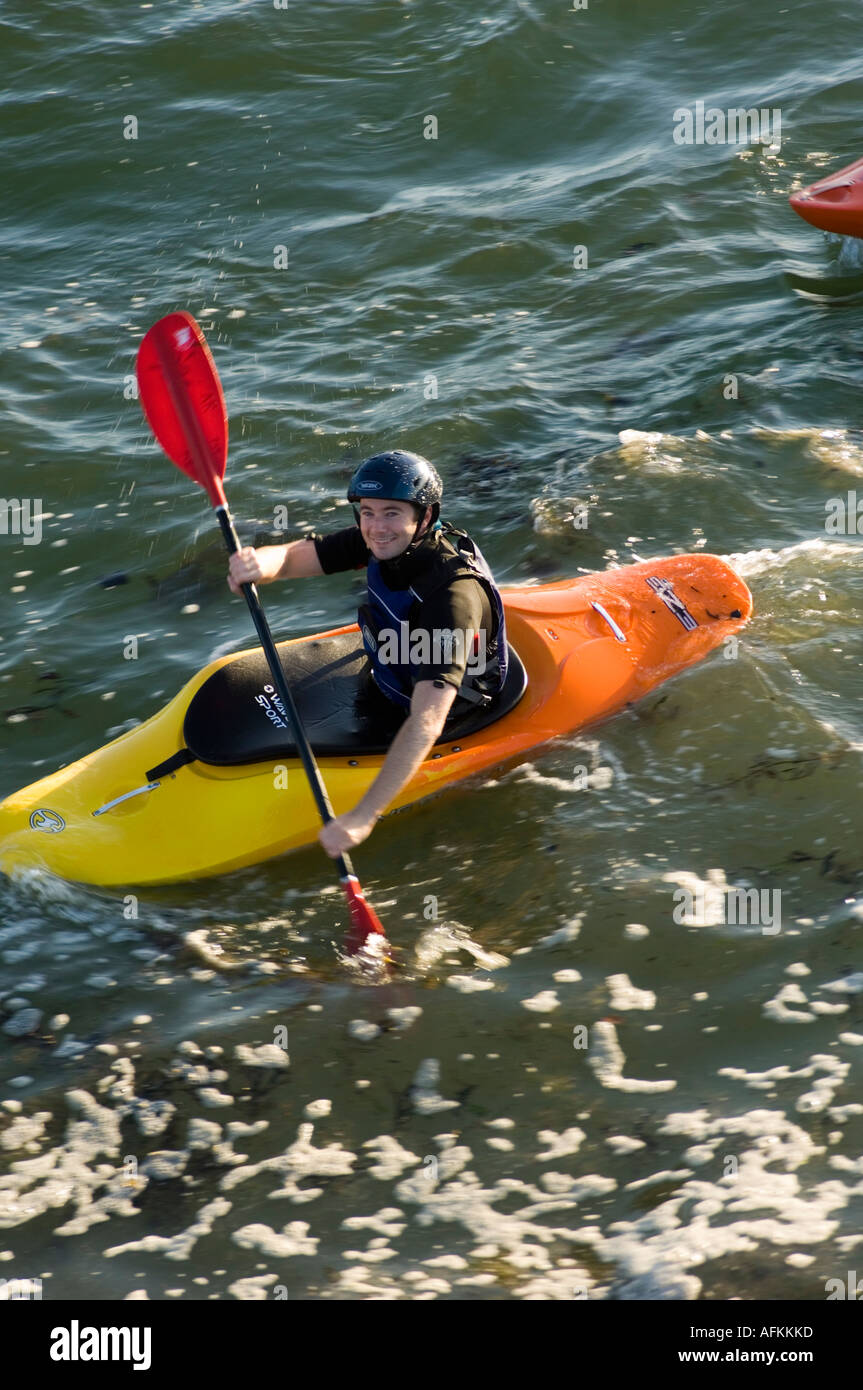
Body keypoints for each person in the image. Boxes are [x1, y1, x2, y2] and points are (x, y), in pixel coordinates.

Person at [227, 450, 508, 857]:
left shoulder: (452, 598)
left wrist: (363, 816)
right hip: (399, 665)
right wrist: (256, 565)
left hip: (451, 705)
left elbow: (429, 719)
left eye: (391, 513)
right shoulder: (382, 541)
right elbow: (292, 558)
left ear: (425, 516)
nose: (376, 527)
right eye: (368, 512)